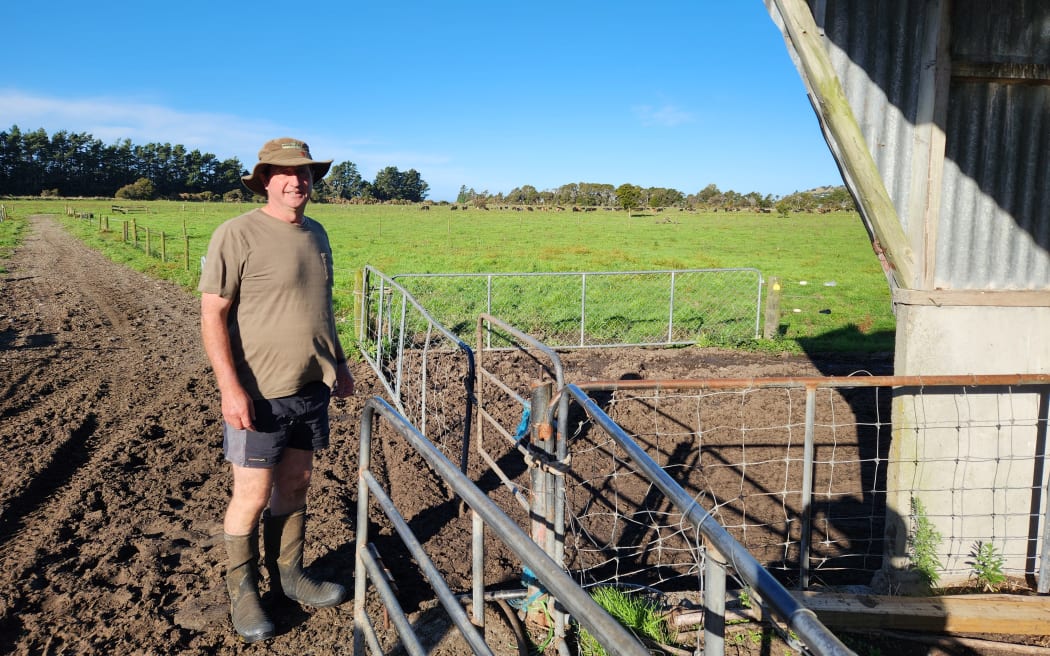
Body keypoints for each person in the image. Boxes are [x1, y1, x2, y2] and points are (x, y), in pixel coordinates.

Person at [198, 137, 355, 643]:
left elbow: (321, 308)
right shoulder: (237, 234)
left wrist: (342, 363)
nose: (298, 181)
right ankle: (243, 591)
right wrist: (230, 388)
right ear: (265, 179)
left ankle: (290, 576)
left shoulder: (318, 234)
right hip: (257, 391)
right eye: (286, 173)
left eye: (306, 173)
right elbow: (212, 314)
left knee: (297, 482)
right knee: (251, 492)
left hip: (310, 386)